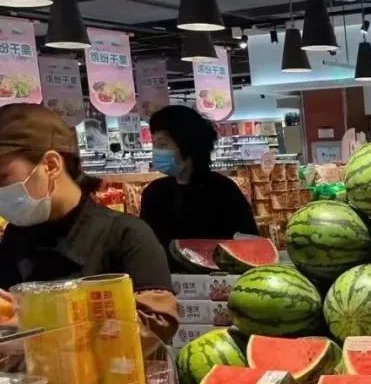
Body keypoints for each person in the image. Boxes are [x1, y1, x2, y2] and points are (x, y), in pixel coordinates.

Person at [0, 103, 178, 342]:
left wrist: (45, 320)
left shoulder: (125, 234)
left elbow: (158, 323)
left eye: (2, 177)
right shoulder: (15, 237)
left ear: (51, 166)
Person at [141, 105, 258, 253]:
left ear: (188, 145)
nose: (156, 151)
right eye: (154, 144)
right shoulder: (154, 193)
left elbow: (249, 244)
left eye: (163, 144)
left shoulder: (224, 191)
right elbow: (146, 247)